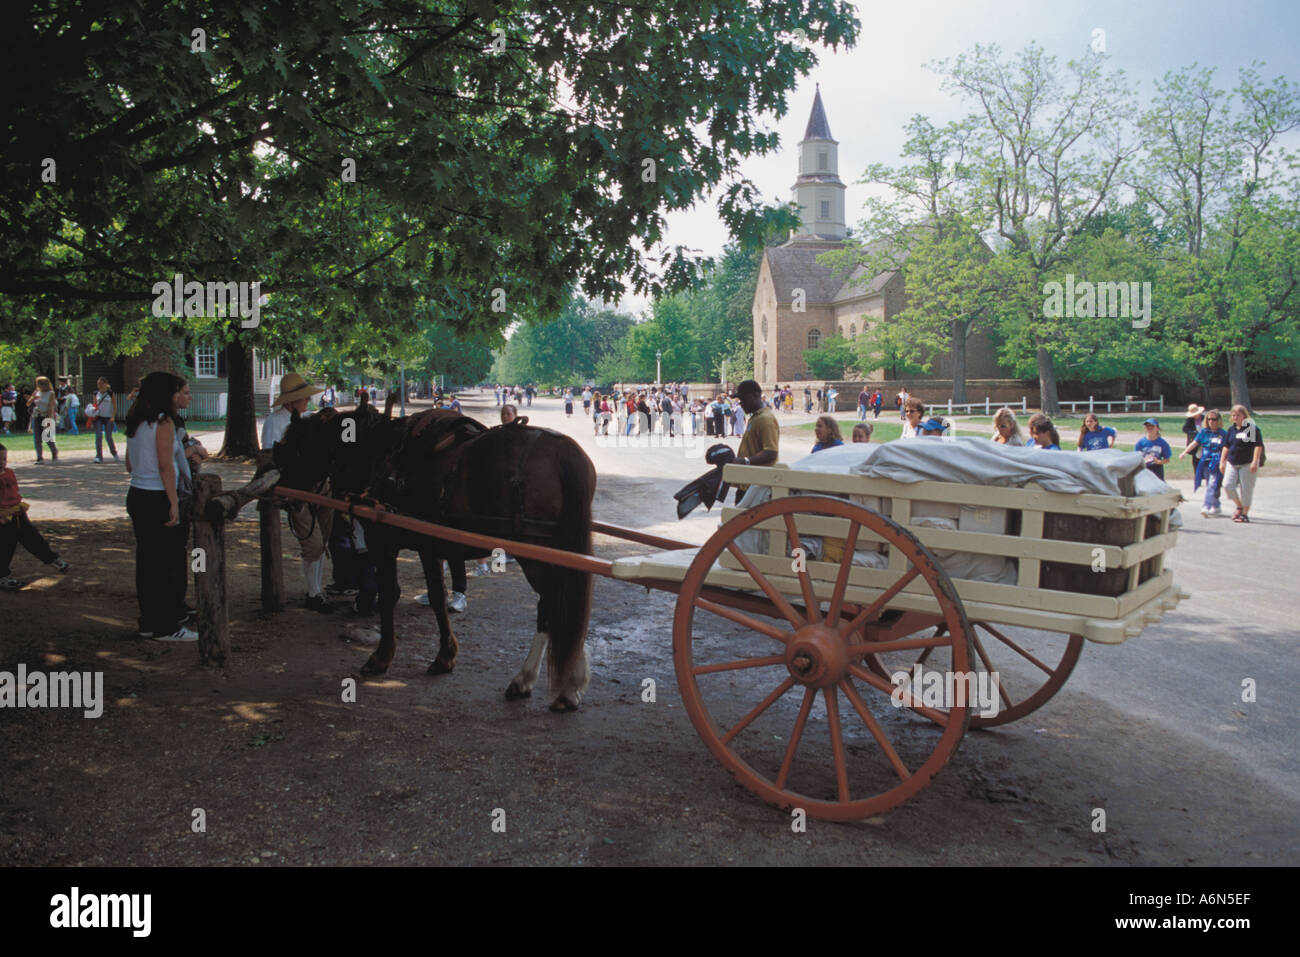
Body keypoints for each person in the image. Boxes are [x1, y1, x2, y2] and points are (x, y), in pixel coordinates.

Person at [124, 372, 196, 640]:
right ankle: (166, 626)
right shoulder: (163, 422)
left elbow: (129, 464)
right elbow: (166, 465)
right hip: (157, 496)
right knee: (165, 564)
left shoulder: (136, 421)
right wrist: (173, 501)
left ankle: (149, 622)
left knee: (147, 563)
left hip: (137, 493)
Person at [262, 372, 335, 613]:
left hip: (319, 485)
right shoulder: (275, 422)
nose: (306, 401)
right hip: (295, 488)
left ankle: (317, 589)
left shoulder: (311, 420)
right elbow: (272, 458)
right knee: (312, 543)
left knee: (322, 539)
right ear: (291, 401)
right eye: (302, 397)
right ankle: (313, 593)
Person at [0, 444, 71, 590]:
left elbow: (13, 492)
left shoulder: (9, 473)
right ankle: (2, 576)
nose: (2, 462)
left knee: (32, 537)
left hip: (18, 512)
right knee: (6, 546)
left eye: (4, 459)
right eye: (0, 459)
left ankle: (52, 559)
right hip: (4, 517)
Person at [733, 380, 780, 499]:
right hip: (748, 484)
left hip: (757, 488)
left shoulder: (765, 419)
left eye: (744, 399)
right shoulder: (755, 417)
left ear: (755, 396)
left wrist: (745, 461)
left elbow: (771, 453)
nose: (741, 403)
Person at [1179, 409, 1228, 517]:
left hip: (1217, 462)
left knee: (1212, 484)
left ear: (1219, 420)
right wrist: (1184, 452)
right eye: (1209, 419)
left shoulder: (1223, 434)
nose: (1211, 421)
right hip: (1205, 461)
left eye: (1214, 419)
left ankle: (1206, 506)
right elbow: (1195, 443)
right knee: (1210, 484)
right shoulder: (1203, 432)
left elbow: (1227, 448)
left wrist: (1224, 461)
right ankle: (1216, 506)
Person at [1222, 405, 1263, 523]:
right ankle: (1239, 506)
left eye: (1238, 415)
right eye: (1233, 415)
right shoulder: (1231, 430)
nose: (1235, 417)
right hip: (1232, 462)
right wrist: (1222, 461)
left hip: (1247, 462)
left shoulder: (1252, 429)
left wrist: (1255, 461)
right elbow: (1226, 446)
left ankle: (1244, 514)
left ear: (1244, 416)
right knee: (1227, 485)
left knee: (1246, 489)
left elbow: (1257, 446)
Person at [28, 376, 58, 463]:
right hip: (37, 416)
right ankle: (39, 457)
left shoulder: (51, 393)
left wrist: (49, 420)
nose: (37, 385)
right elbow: (28, 403)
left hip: (46, 416)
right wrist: (32, 397)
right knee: (37, 438)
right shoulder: (37, 392)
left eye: (38, 384)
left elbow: (51, 407)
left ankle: (54, 451)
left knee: (47, 438)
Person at [1181, 404, 1205, 472]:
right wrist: (1194, 432)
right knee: (1195, 459)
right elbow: (1185, 429)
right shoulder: (1189, 420)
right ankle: (1197, 475)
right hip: (1194, 441)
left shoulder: (1204, 418)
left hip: (1204, 441)